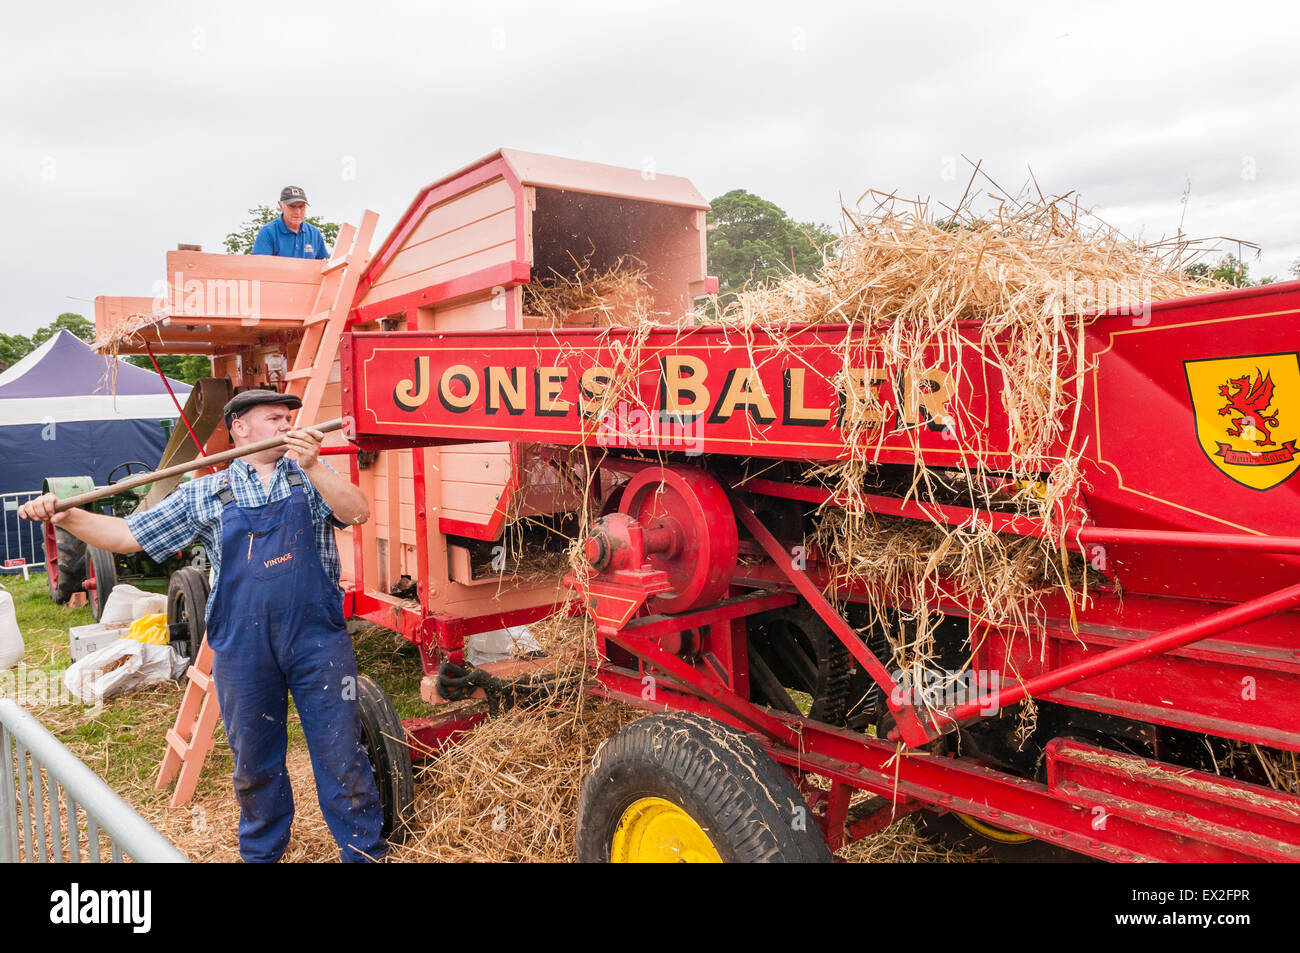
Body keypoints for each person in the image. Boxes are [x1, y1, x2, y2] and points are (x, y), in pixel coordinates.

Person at [20, 390, 387, 863]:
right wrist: (69, 515)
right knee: (254, 759)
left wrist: (317, 466)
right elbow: (127, 536)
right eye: (273, 418)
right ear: (240, 428)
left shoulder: (310, 476)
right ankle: (262, 854)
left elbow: (357, 512)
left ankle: (364, 853)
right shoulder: (204, 491)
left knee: (341, 752)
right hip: (241, 644)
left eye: (288, 418)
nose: (286, 425)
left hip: (316, 638)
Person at [251, 186, 330, 259]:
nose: (298, 212)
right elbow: (260, 268)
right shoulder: (267, 232)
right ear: (281, 206)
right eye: (292, 206)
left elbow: (322, 267)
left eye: (301, 206)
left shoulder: (314, 233)